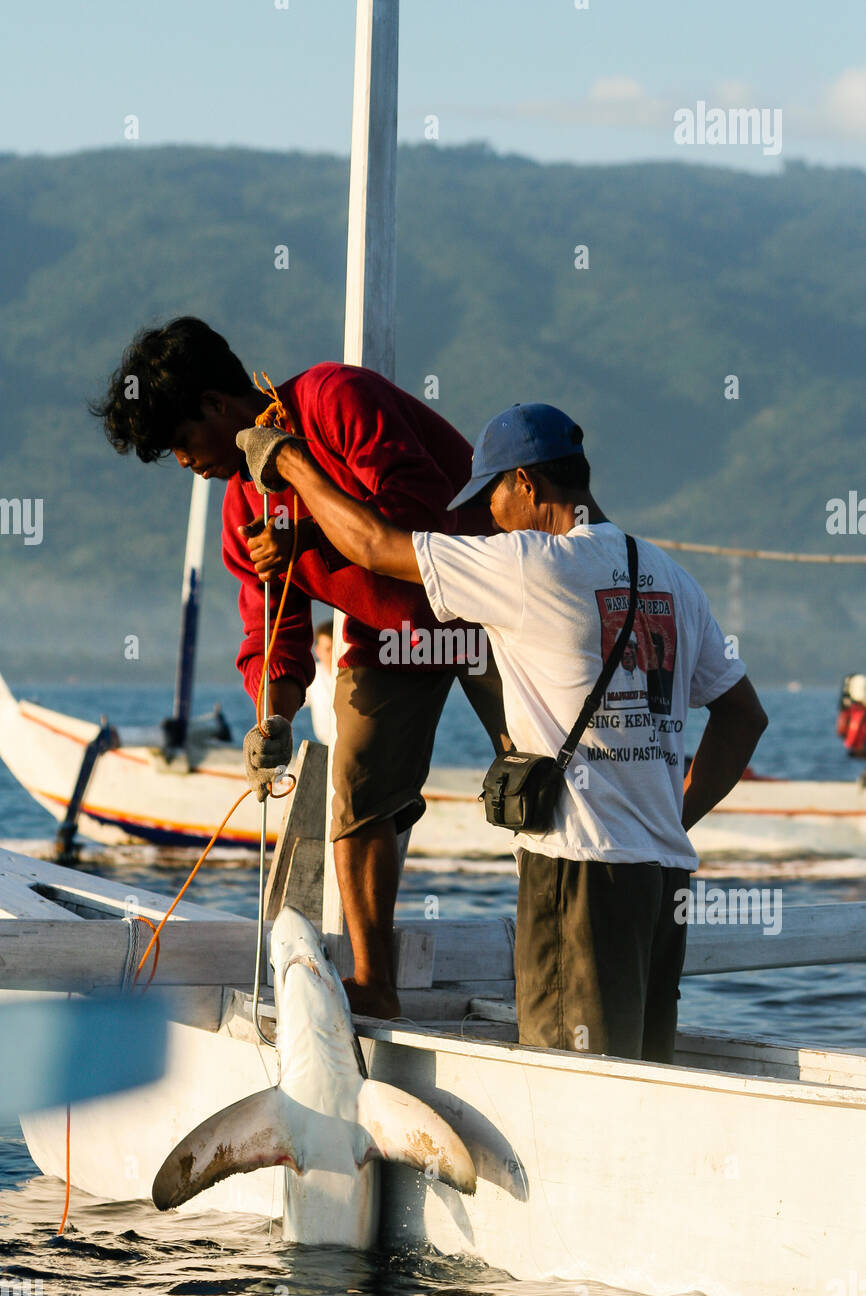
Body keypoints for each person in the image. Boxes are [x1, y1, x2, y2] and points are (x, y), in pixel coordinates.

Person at [236, 401, 769, 1063]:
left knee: (575, 1082)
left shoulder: (528, 565)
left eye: (490, 495)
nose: (485, 515)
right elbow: (745, 715)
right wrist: (670, 815)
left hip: (576, 872)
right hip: (662, 880)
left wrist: (288, 459)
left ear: (527, 484)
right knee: (639, 1074)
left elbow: (373, 544)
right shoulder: (670, 577)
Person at [93, 317, 511, 1019]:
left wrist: (307, 528)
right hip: (394, 632)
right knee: (357, 789)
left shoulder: (336, 398)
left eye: (183, 444)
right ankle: (374, 983)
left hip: (495, 598)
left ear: (216, 407)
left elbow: (421, 518)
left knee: (540, 779)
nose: (186, 464)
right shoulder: (237, 512)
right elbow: (275, 636)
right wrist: (274, 719)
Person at [307, 619, 334, 743]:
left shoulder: (354, 676)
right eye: (328, 649)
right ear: (318, 651)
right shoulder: (313, 675)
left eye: (335, 648)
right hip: (325, 744)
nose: (333, 654)